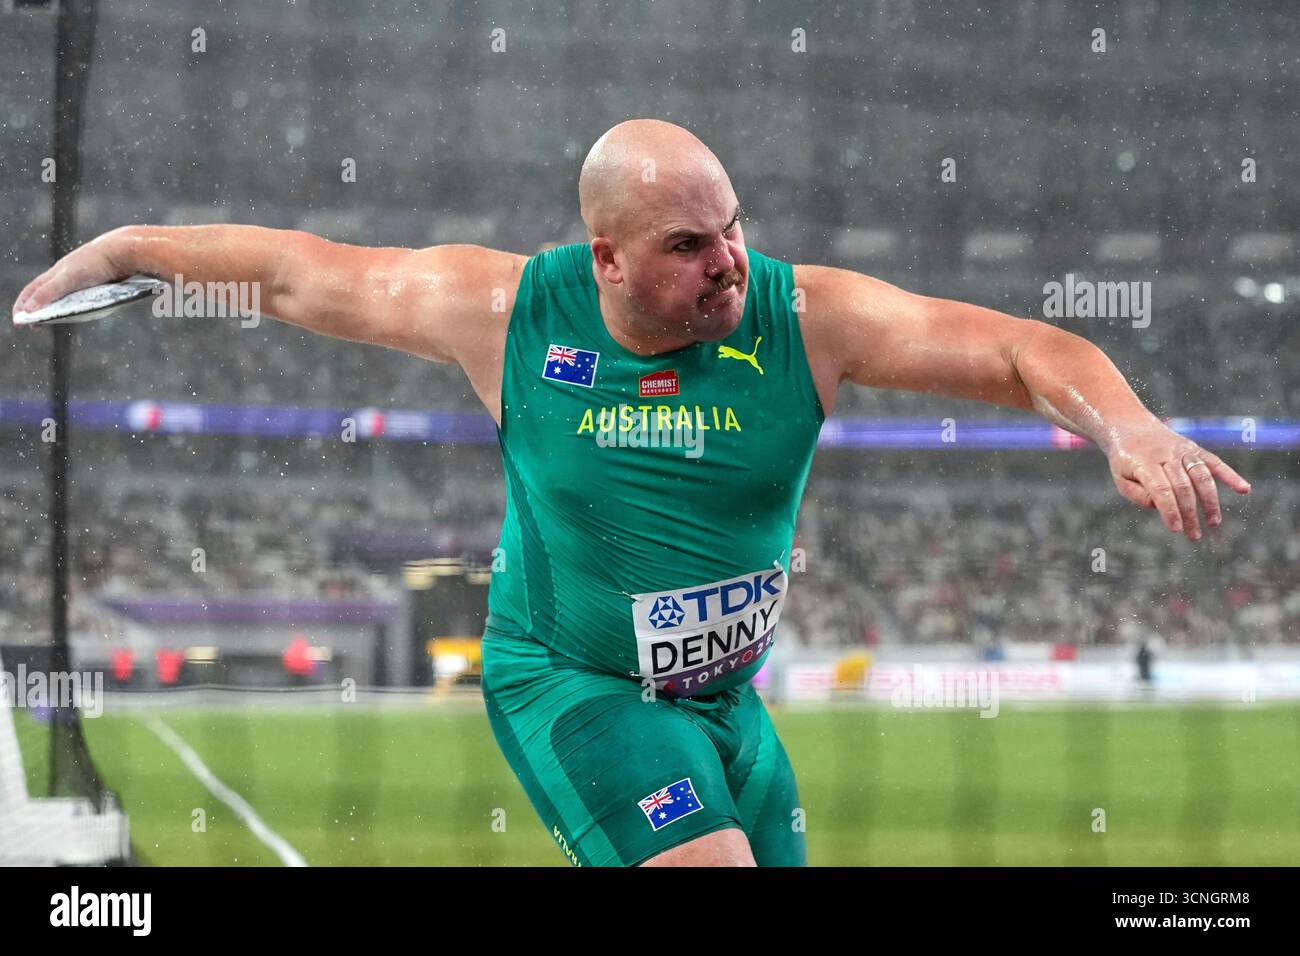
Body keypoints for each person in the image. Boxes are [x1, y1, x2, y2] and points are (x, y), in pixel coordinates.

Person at [11, 118, 1251, 867]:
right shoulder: (501, 310)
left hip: (728, 703)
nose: (728, 263)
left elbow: (1022, 348)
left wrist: (1124, 424)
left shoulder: (802, 316)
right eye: (687, 245)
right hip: (576, 682)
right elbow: (291, 273)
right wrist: (129, 249)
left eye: (732, 228)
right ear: (604, 255)